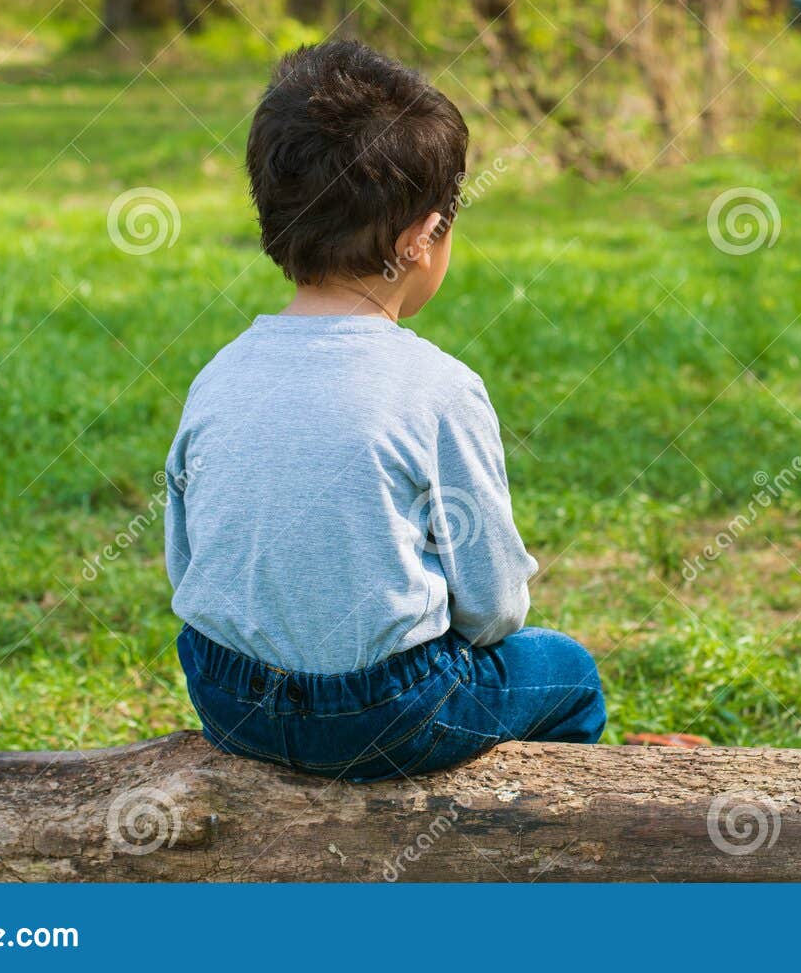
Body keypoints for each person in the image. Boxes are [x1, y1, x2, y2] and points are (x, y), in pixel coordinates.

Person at [164, 39, 605, 780]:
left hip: (227, 696)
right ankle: (523, 839)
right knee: (568, 672)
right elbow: (494, 607)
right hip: (387, 710)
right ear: (422, 238)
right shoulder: (439, 388)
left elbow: (189, 561)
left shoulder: (218, 375)